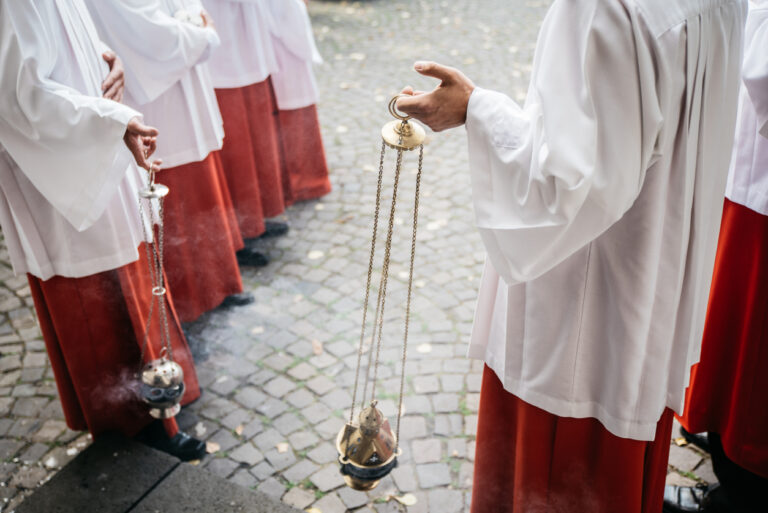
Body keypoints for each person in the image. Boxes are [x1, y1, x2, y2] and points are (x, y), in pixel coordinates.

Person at [396, 0, 747, 511]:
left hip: (579, 313)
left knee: (557, 483)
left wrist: (476, 108)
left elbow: (566, 186)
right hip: (655, 275)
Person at [0, 0, 205, 460]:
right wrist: (113, 119)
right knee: (96, 293)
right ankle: (130, 424)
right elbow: (19, 94)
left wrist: (104, 55)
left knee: (130, 269)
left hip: (95, 139)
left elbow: (59, 40)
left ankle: (158, 402)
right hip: (60, 164)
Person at [84, 0, 252, 324]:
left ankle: (214, 289)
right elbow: (142, 29)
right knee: (170, 197)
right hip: (154, 91)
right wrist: (203, 35)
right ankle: (186, 312)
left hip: (184, 71)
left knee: (200, 186)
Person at [664, 2, 768, 512]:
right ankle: (725, 434)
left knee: (753, 347)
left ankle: (743, 490)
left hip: (761, 187)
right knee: (734, 334)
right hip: (747, 174)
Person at [203, 0, 289, 259]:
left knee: (257, 141)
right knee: (237, 148)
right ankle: (238, 231)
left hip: (248, 43)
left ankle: (256, 220)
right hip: (224, 53)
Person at [264, 0, 331, 204]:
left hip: (278, 48)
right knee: (291, 113)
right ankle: (300, 181)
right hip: (281, 48)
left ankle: (300, 180)